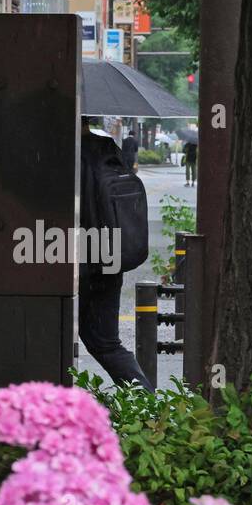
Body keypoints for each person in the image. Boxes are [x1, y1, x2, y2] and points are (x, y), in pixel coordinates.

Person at [79, 120, 154, 392]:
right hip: (111, 256)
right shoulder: (108, 148)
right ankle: (149, 404)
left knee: (51, 334)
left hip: (77, 257)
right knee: (105, 341)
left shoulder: (67, 152)